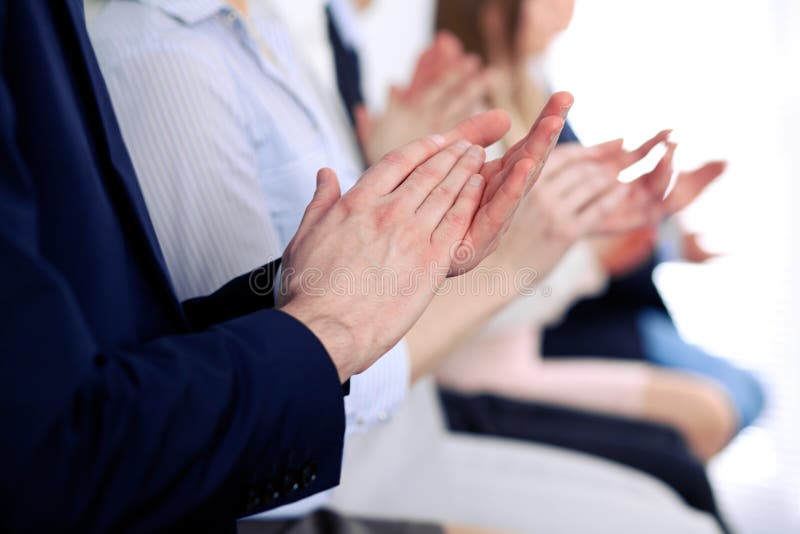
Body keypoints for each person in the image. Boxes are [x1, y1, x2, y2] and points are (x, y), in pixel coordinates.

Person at [0, 0, 555, 531]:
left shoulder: (267, 29)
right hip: (323, 487)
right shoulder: (162, 56)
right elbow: (63, 447)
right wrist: (502, 276)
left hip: (399, 449)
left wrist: (386, 234)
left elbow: (157, 340)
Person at [436, 0, 765, 444]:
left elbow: (574, 239)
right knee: (721, 408)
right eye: (550, 2)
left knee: (742, 398)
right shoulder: (473, 120)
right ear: (492, 10)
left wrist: (655, 227)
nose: (566, 15)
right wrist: (602, 256)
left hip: (532, 335)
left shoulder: (531, 98)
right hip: (509, 351)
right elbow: (493, 281)